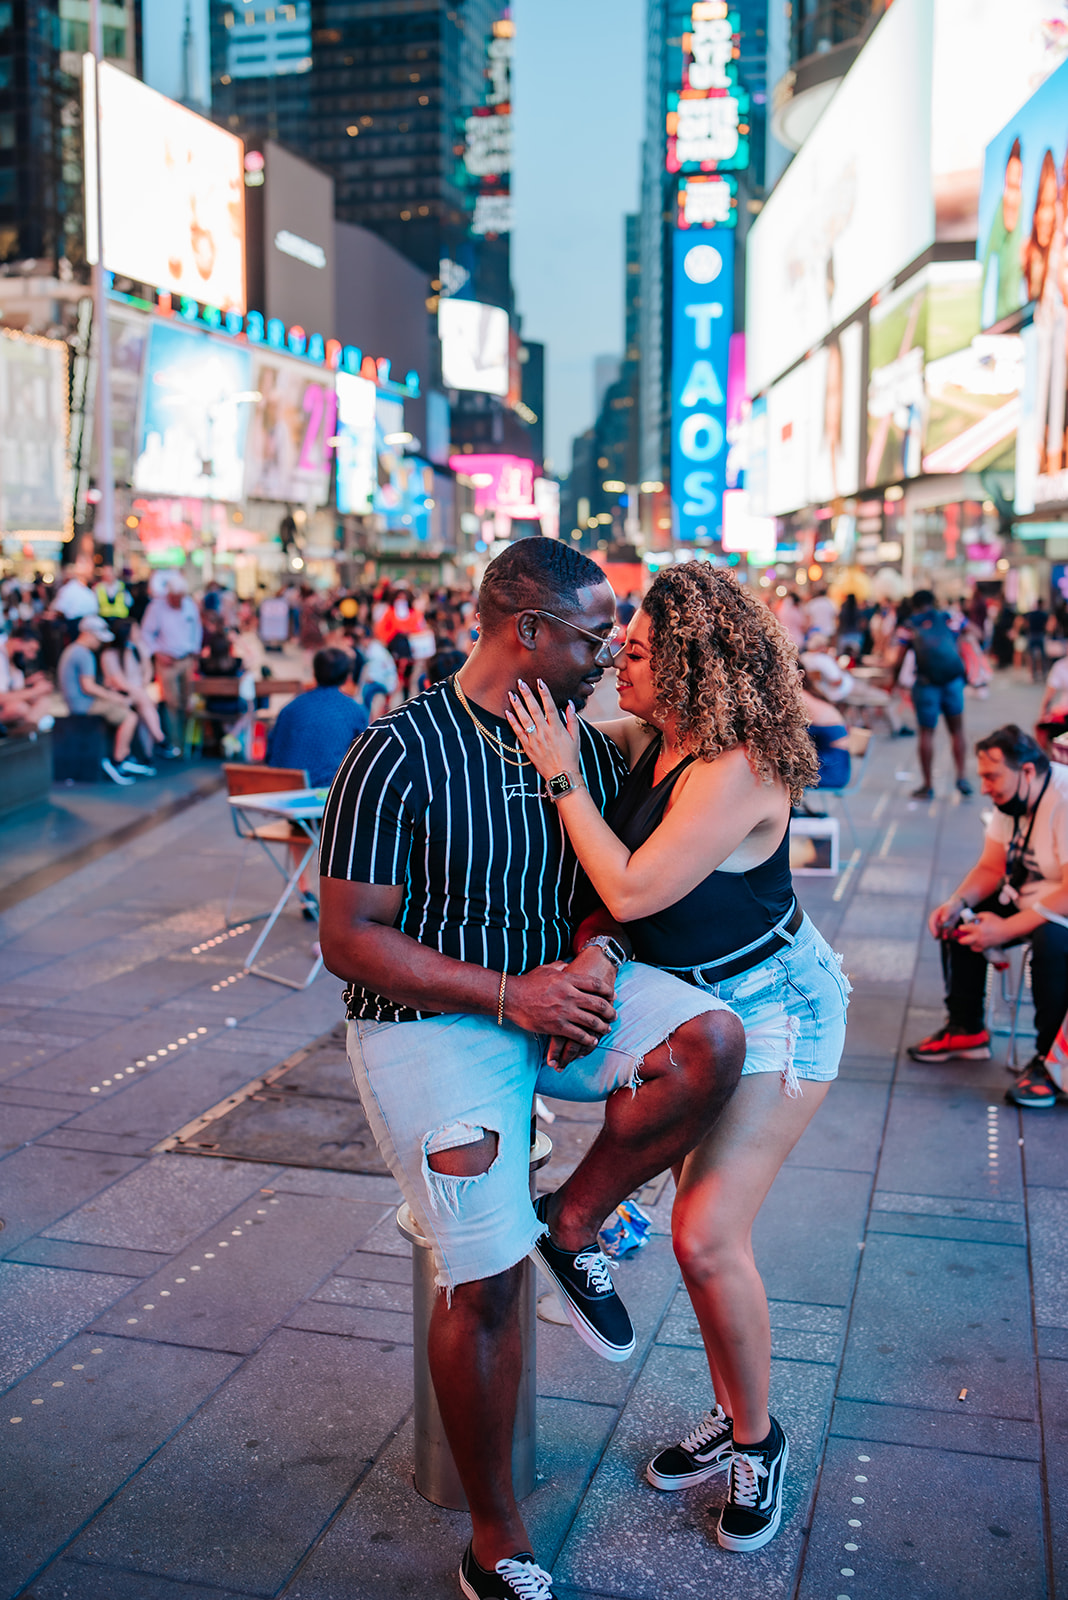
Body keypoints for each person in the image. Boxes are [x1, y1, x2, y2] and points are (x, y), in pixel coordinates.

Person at [318, 540, 745, 1600]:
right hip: (431, 1020)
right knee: (483, 1272)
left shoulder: (592, 751)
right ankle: (497, 1542)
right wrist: (516, 995)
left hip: (560, 995)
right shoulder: (398, 752)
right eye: (596, 636)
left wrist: (593, 956)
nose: (609, 657)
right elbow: (350, 938)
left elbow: (609, 891)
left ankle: (576, 1220)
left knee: (711, 1041)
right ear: (528, 632)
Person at [507, 564, 849, 1557]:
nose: (619, 654)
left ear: (691, 663)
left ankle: (758, 1441)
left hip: (777, 1010)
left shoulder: (738, 766)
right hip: (699, 1008)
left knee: (704, 1234)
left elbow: (635, 883)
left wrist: (562, 771)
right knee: (702, 1240)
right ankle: (736, 1407)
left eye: (642, 648)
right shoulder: (665, 738)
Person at [908, 727, 1068, 1107]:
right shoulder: (1011, 802)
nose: (984, 788)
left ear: (1027, 771)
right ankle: (968, 1029)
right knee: (960, 921)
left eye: (992, 777)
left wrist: (1005, 929)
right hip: (1028, 894)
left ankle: (1049, 1063)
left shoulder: (1063, 797)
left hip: (1061, 909)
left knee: (1051, 944)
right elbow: (991, 866)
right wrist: (957, 902)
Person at [57, 615, 153, 784]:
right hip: (83, 705)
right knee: (129, 716)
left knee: (124, 709)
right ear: (88, 634)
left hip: (77, 702)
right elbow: (88, 686)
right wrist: (113, 697)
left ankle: (124, 756)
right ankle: (118, 760)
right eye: (98, 638)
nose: (100, 643)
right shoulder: (83, 654)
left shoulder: (72, 650)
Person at [895, 590, 970, 799]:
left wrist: (894, 681)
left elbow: (899, 657)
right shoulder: (948, 617)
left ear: (914, 605)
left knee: (926, 733)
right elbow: (971, 631)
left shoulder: (910, 625)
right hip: (953, 682)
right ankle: (961, 777)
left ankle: (927, 785)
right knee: (957, 730)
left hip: (927, 683)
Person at [267, 646, 368, 787]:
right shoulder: (354, 711)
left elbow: (271, 752)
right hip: (324, 793)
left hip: (281, 790)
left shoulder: (291, 707)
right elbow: (362, 760)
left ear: (314, 672)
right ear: (347, 676)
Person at [141, 573, 203, 751]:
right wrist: (157, 653)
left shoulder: (189, 605)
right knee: (171, 703)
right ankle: (174, 743)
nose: (177, 601)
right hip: (167, 660)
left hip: (186, 659)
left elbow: (196, 629)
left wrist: (195, 654)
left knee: (186, 701)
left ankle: (186, 742)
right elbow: (146, 634)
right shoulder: (156, 607)